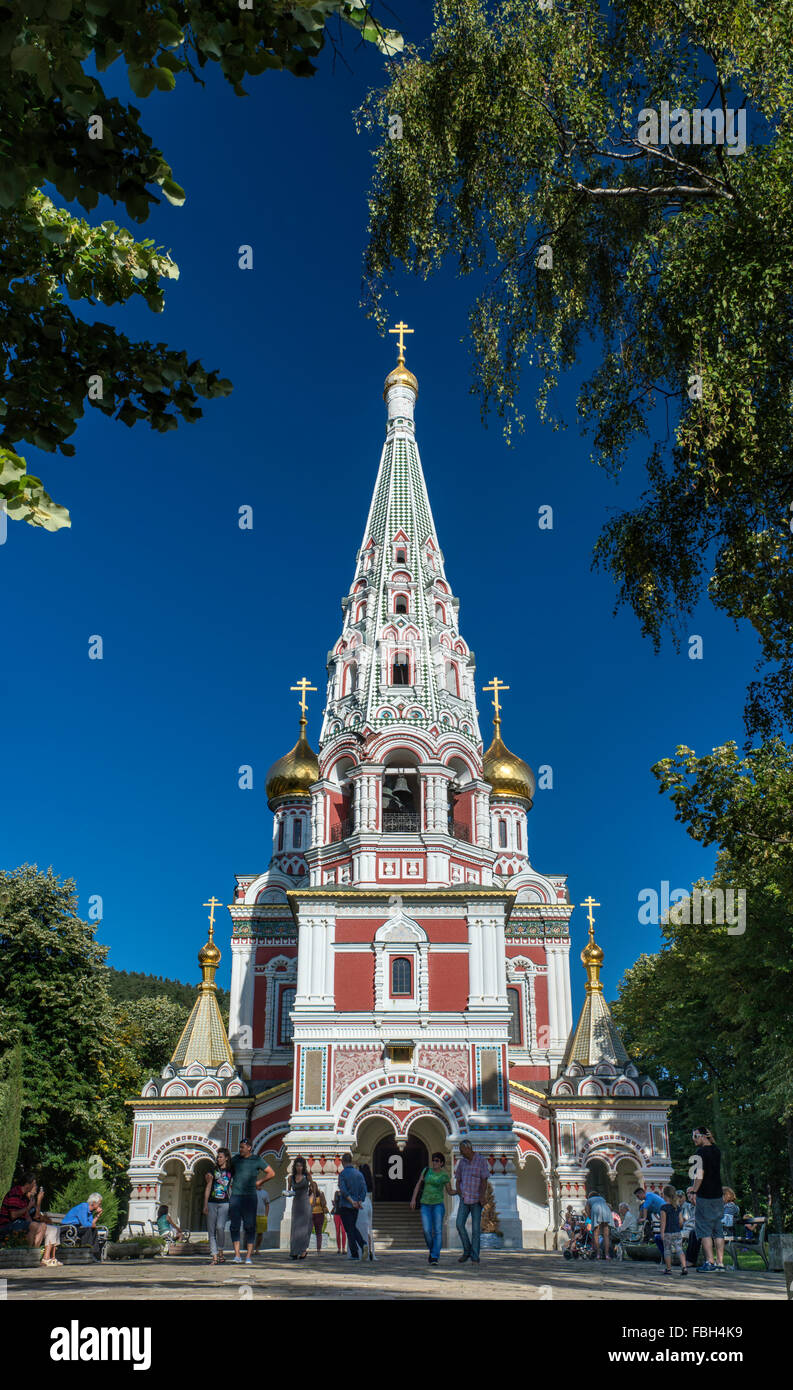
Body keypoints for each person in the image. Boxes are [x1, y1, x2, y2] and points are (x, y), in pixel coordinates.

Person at [229, 1138, 275, 1266]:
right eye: (240, 1147)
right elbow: (228, 1172)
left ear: (249, 1147)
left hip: (250, 1196)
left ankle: (248, 1256)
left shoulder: (256, 1160)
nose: (240, 1149)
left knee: (250, 1226)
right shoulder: (236, 1159)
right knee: (234, 1226)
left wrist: (260, 1182)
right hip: (236, 1196)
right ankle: (237, 1254)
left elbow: (271, 1173)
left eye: (243, 1147)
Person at [690, 1127, 726, 1273]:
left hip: (704, 1195)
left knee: (704, 1229)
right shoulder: (716, 1150)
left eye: (695, 1136)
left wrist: (693, 1190)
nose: (693, 1140)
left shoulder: (700, 1153)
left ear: (701, 1136)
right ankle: (720, 1263)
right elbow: (714, 1145)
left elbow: (700, 1174)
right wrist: (711, 1139)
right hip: (718, 1195)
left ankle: (709, 1262)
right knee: (718, 1230)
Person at [450, 1140, 488, 1265]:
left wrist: (482, 1196)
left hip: (477, 1200)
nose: (461, 1152)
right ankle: (467, 1250)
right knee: (459, 1224)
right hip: (464, 1199)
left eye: (462, 1149)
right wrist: (460, 1193)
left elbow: (484, 1180)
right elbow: (458, 1179)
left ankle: (475, 1257)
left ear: (468, 1148)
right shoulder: (462, 1162)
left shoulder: (481, 1160)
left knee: (476, 1229)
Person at [411, 1152, 451, 1266]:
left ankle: (434, 1257)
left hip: (438, 1204)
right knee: (426, 1230)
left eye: (437, 1160)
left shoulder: (444, 1175)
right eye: (433, 1160)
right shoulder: (426, 1171)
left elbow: (449, 1190)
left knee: (437, 1231)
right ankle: (433, 1250)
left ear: (442, 1163)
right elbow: (419, 1184)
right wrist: (413, 1199)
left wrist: (460, 1190)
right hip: (425, 1204)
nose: (434, 1162)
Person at [0, 1173, 46, 1247]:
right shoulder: (14, 1193)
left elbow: (27, 1215)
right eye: (34, 1184)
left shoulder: (24, 1197)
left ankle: (33, 1253)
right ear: (28, 1184)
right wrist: (28, 1207)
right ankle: (28, 1253)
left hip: (18, 1223)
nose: (35, 1186)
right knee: (33, 1226)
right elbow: (13, 1215)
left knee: (43, 1226)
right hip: (7, 1225)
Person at [203, 1147, 232, 1265]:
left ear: (226, 1158)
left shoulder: (231, 1170)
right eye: (218, 1157)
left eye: (221, 1157)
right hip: (212, 1202)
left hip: (224, 1203)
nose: (218, 1159)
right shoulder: (213, 1170)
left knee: (220, 1227)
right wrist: (205, 1204)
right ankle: (214, 1256)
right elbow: (209, 1186)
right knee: (211, 1230)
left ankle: (220, 1250)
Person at [337, 1153, 367, 1260]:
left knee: (349, 1229)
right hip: (355, 1206)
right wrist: (359, 1201)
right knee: (352, 1227)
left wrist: (351, 1201)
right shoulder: (359, 1174)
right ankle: (362, 1246)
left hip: (346, 1205)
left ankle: (356, 1251)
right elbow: (364, 1189)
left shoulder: (342, 1174)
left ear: (343, 1162)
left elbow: (343, 1190)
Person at [288, 1156, 316, 1260]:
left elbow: (313, 1188)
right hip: (296, 1203)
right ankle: (294, 1251)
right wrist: (287, 1193)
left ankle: (303, 1250)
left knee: (304, 1227)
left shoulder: (307, 1176)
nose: (299, 1167)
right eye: (297, 1165)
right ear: (294, 1166)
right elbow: (289, 1190)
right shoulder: (291, 1178)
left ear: (303, 1166)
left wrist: (312, 1201)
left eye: (301, 1166)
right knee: (295, 1227)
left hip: (305, 1203)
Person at [61, 1192, 104, 1258]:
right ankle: (85, 1252)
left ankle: (94, 1254)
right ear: (93, 1203)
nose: (100, 1205)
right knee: (88, 1229)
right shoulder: (83, 1207)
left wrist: (98, 1215)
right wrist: (92, 1225)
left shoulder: (90, 1211)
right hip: (67, 1228)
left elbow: (92, 1224)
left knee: (93, 1229)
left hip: (75, 1228)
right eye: (99, 1203)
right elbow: (85, 1223)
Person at [659, 1184, 687, 1277]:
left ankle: (669, 1268)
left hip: (667, 1232)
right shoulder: (677, 1207)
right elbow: (681, 1221)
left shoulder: (664, 1208)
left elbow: (663, 1222)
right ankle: (684, 1267)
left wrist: (662, 1233)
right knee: (679, 1249)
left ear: (664, 1195)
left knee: (667, 1250)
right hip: (677, 1232)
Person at [634, 1185, 665, 1261]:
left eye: (638, 1196)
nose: (638, 1198)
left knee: (643, 1208)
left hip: (665, 1211)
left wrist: (644, 1218)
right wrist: (639, 1218)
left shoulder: (649, 1196)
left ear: (642, 1193)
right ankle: (648, 1235)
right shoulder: (647, 1200)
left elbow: (645, 1207)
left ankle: (650, 1236)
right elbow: (644, 1208)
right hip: (661, 1213)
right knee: (642, 1206)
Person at [356, 1162, 376, 1262]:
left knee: (360, 1228)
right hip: (368, 1203)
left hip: (361, 1203)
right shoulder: (369, 1181)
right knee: (368, 1228)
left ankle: (362, 1249)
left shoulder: (359, 1181)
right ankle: (370, 1250)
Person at [585, 1190, 612, 1260]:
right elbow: (609, 1207)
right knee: (606, 1234)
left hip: (596, 1209)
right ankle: (607, 1255)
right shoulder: (602, 1199)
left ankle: (598, 1254)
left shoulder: (589, 1200)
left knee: (596, 1233)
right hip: (606, 1210)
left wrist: (591, 1218)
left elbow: (587, 1211)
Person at [309, 1181, 328, 1254]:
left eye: (313, 1187)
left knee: (318, 1232)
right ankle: (304, 1247)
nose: (312, 1188)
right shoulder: (308, 1195)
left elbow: (324, 1203)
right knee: (308, 1231)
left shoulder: (320, 1194)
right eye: (311, 1187)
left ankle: (318, 1248)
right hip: (310, 1214)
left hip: (319, 1214)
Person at [254, 1185, 271, 1255]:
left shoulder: (265, 1193)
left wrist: (266, 1215)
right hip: (252, 1215)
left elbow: (267, 1205)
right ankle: (251, 1249)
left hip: (261, 1216)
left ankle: (257, 1249)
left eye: (261, 1184)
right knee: (251, 1233)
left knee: (260, 1234)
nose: (259, 1185)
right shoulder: (252, 1192)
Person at [331, 1187, 347, 1255]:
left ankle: (343, 1248)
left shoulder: (346, 1193)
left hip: (344, 1214)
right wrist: (334, 1203)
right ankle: (339, 1248)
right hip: (337, 1213)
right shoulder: (336, 1193)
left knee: (343, 1231)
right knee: (337, 1231)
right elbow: (335, 1202)